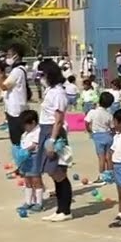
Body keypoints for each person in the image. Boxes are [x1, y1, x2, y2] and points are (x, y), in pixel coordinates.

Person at [34, 63, 73, 222]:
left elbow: (58, 119)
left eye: (42, 75)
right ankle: (59, 209)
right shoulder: (50, 90)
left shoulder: (58, 93)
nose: (41, 78)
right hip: (45, 129)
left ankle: (65, 210)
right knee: (52, 171)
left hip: (53, 131)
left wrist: (52, 139)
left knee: (57, 171)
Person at [15, 109, 44, 218]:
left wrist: (26, 150)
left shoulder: (38, 131)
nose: (24, 127)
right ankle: (28, 202)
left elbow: (34, 145)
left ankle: (39, 203)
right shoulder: (25, 134)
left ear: (33, 122)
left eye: (26, 125)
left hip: (34, 157)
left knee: (36, 180)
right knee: (27, 181)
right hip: (25, 159)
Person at [0, 47, 30, 148]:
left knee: (16, 138)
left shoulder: (17, 71)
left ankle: (21, 158)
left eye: (8, 55)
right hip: (16, 106)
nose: (7, 58)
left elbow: (4, 86)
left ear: (16, 55)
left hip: (15, 109)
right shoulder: (19, 70)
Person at [86, 92, 115, 183]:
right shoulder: (109, 114)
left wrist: (89, 130)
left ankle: (102, 176)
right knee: (108, 157)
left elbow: (87, 122)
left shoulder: (93, 112)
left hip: (98, 136)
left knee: (101, 157)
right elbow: (112, 127)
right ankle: (110, 175)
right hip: (108, 135)